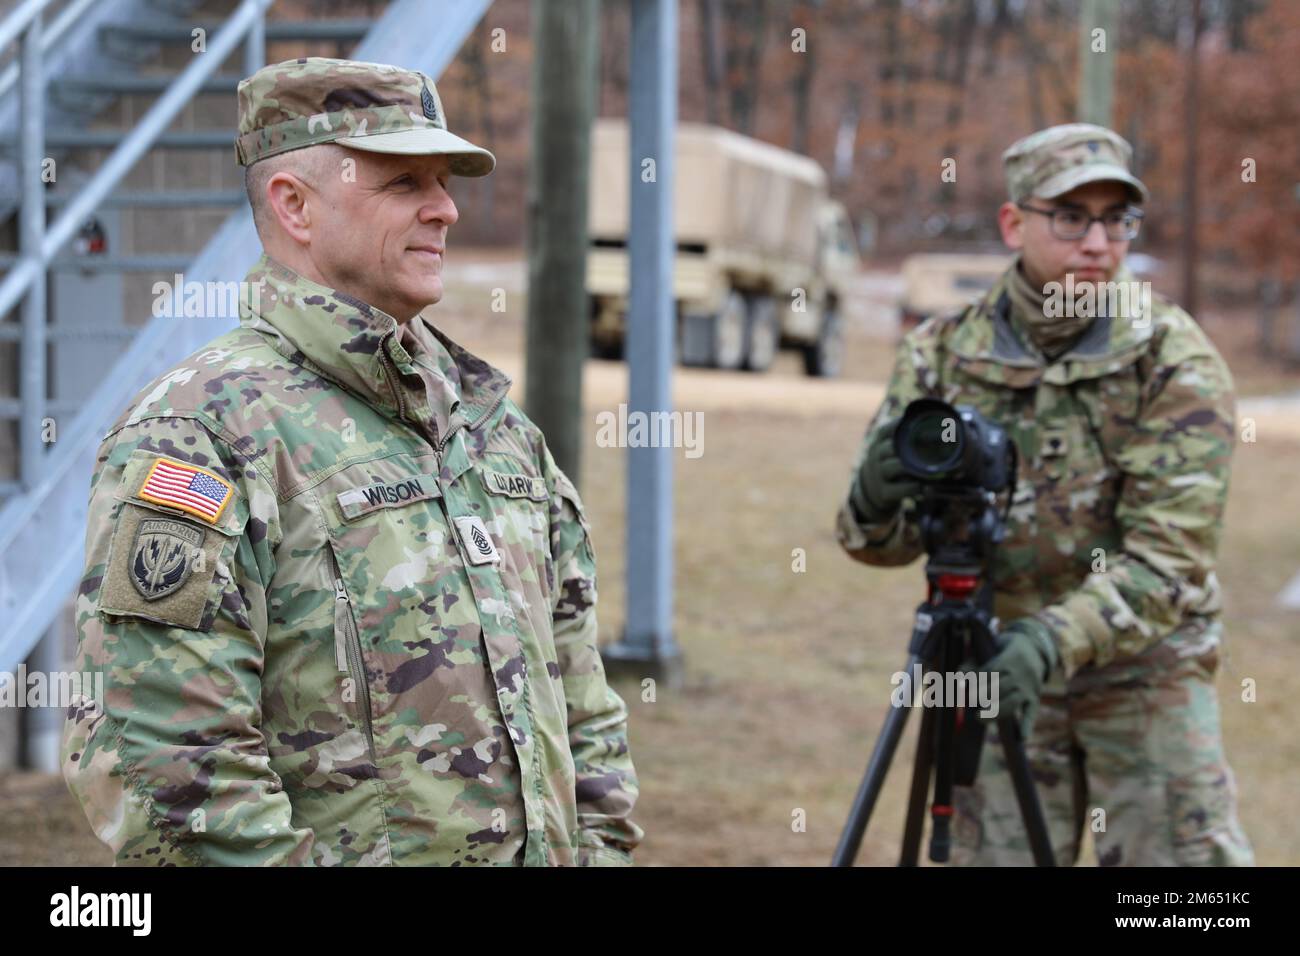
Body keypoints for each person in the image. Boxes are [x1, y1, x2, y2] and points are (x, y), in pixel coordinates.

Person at [60, 57, 642, 867]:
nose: (445, 209)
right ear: (294, 205)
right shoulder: (202, 433)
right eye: (405, 183)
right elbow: (165, 765)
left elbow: (581, 697)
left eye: (444, 182)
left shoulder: (493, 428)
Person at [836, 123, 1253, 866]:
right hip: (993, 657)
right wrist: (872, 500)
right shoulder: (941, 353)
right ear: (1012, 222)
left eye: (1117, 220)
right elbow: (880, 543)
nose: (1098, 242)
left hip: (1145, 667)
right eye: (1071, 217)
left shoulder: (1172, 358)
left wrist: (1051, 642)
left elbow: (1169, 562)